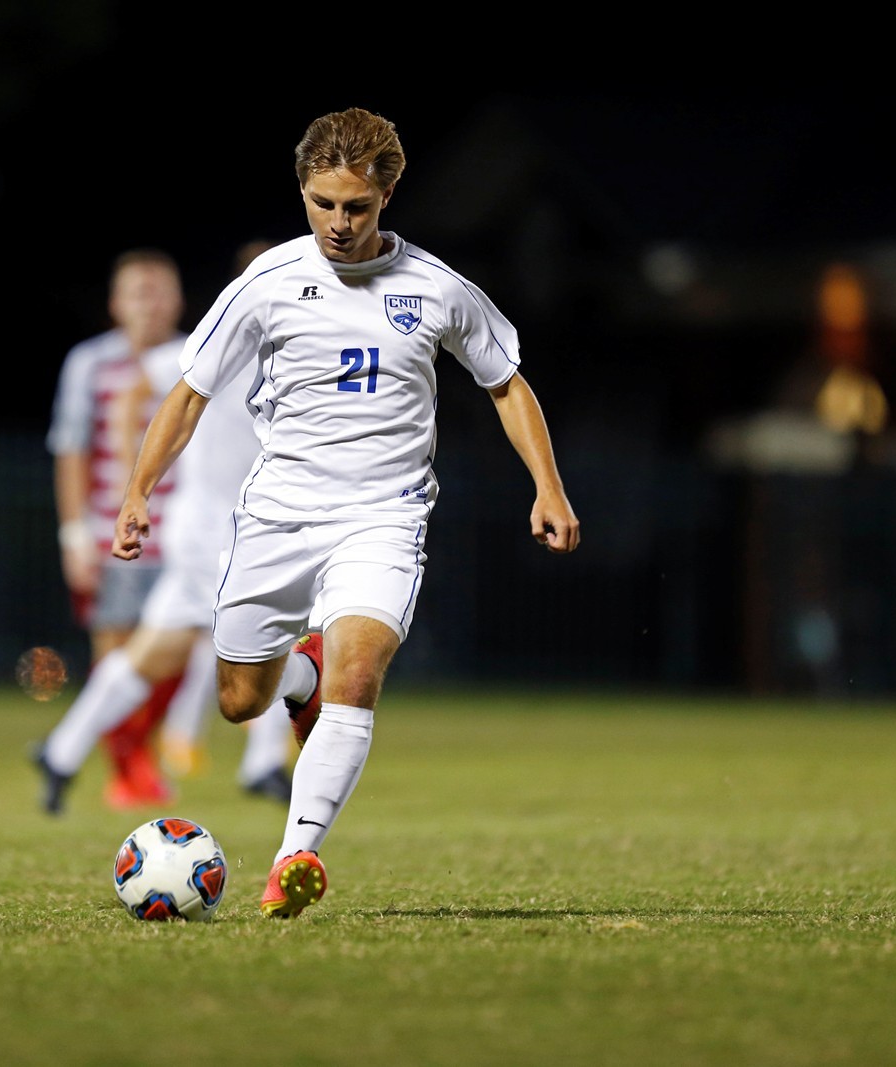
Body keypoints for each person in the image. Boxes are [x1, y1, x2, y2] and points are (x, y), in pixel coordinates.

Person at [109, 108, 581, 918]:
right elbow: (188, 394)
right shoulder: (264, 285)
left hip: (384, 516)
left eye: (355, 206)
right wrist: (137, 492)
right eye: (322, 203)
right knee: (239, 699)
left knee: (359, 672)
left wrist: (549, 484)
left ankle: (296, 855)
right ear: (304, 191)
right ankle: (302, 678)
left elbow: (505, 381)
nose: (337, 222)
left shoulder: (435, 288)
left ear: (388, 194)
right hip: (279, 517)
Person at [31, 241, 296, 817]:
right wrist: (138, 483)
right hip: (212, 531)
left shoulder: (290, 346)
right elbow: (135, 402)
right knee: (277, 630)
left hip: (225, 530)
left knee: (152, 654)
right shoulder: (208, 343)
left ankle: (60, 751)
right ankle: (263, 763)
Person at [43, 248, 190, 808]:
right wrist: (75, 535)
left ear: (177, 300)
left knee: (178, 658)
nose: (149, 304)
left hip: (184, 537)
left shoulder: (196, 357)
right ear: (115, 304)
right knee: (116, 656)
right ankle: (127, 771)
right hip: (114, 538)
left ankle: (138, 758)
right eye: (138, 292)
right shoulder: (89, 363)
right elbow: (71, 451)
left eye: (159, 291)